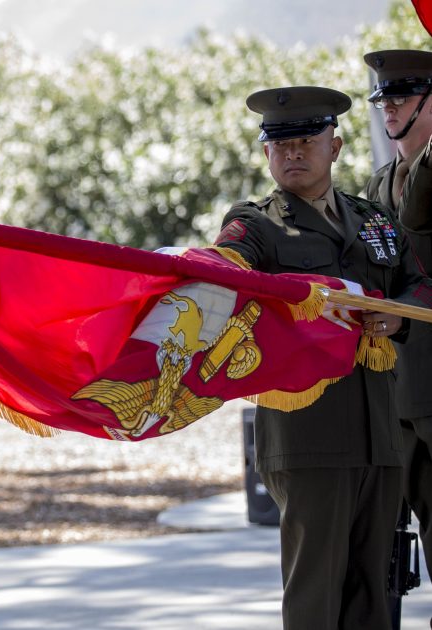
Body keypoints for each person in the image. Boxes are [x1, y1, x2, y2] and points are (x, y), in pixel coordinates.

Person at [213, 86, 431, 630]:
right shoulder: (256, 224)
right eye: (279, 144)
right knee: (316, 596)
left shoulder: (375, 220)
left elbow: (419, 286)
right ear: (265, 154)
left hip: (379, 436)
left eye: (307, 141)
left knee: (375, 595)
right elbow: (223, 270)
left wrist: (399, 314)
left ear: (334, 148)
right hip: (307, 437)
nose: (292, 154)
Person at [363, 49, 432, 595]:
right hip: (402, 392)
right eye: (384, 98)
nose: (389, 109)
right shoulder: (380, 184)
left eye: (402, 97)